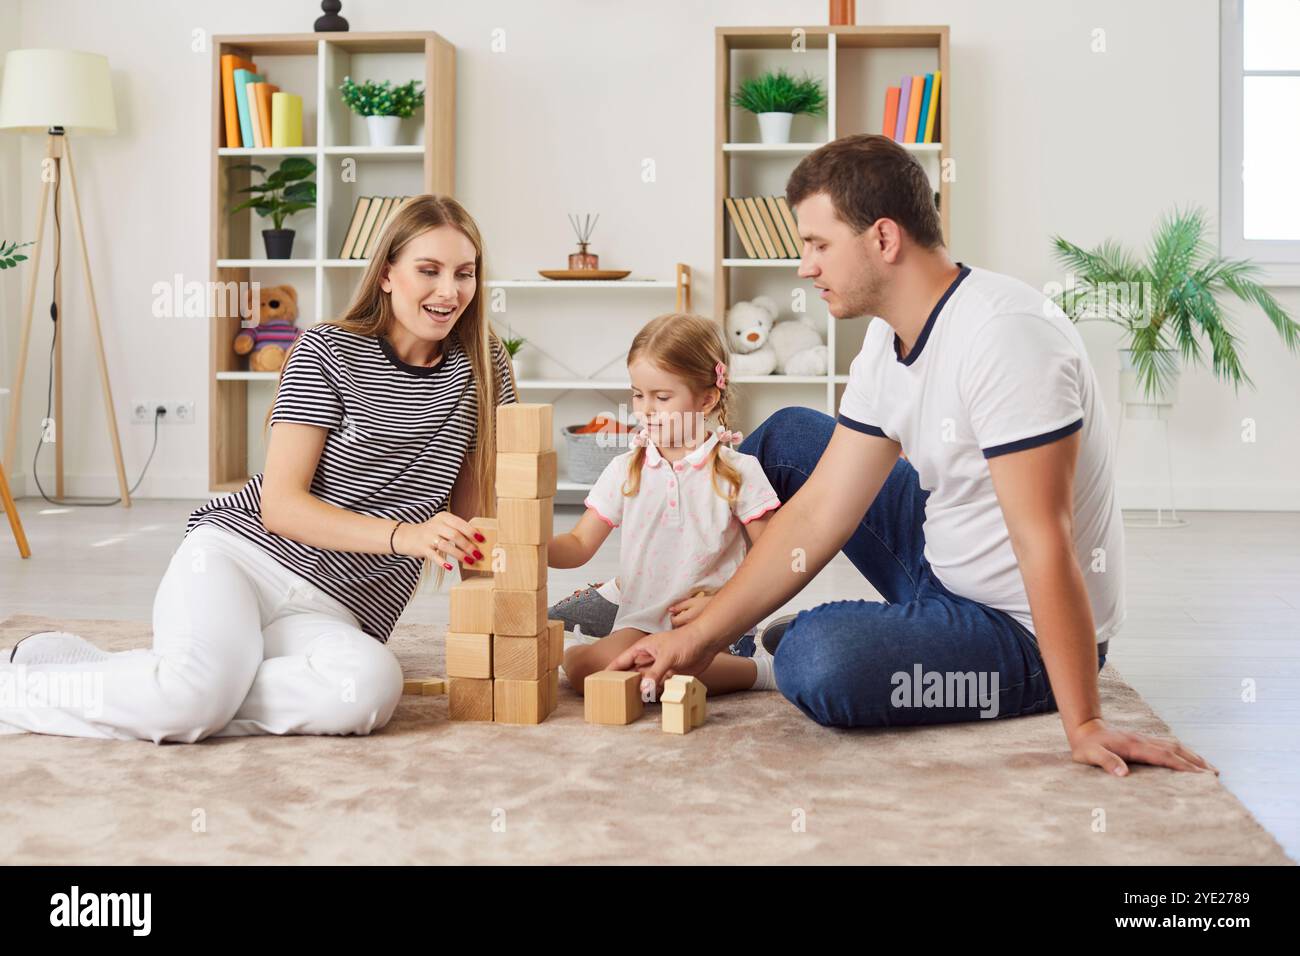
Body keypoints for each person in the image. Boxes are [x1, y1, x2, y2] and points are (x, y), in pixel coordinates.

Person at [611, 135, 1216, 777]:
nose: (803, 268)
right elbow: (820, 511)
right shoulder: (887, 336)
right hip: (940, 560)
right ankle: (687, 598)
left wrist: (1086, 723)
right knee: (788, 437)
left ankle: (797, 636)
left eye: (818, 244)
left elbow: (1046, 541)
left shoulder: (1007, 339)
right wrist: (695, 638)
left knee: (816, 661)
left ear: (883, 238)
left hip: (1018, 631)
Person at [1, 195, 514, 743]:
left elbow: (474, 517)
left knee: (366, 690)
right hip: (241, 561)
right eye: (428, 270)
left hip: (337, 611)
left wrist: (505, 633)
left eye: (464, 274)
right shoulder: (327, 349)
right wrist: (401, 536)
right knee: (188, 700)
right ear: (387, 274)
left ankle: (187, 685)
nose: (449, 291)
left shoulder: (484, 363)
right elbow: (282, 506)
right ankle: (136, 690)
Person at [548, 313, 781, 695]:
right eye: (638, 395)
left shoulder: (738, 471)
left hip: (714, 622)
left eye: (662, 397)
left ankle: (759, 671)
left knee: (675, 672)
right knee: (582, 671)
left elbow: (774, 555)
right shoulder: (625, 469)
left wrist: (721, 601)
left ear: (707, 398)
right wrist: (533, 545)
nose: (645, 410)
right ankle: (627, 657)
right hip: (641, 620)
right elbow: (578, 545)